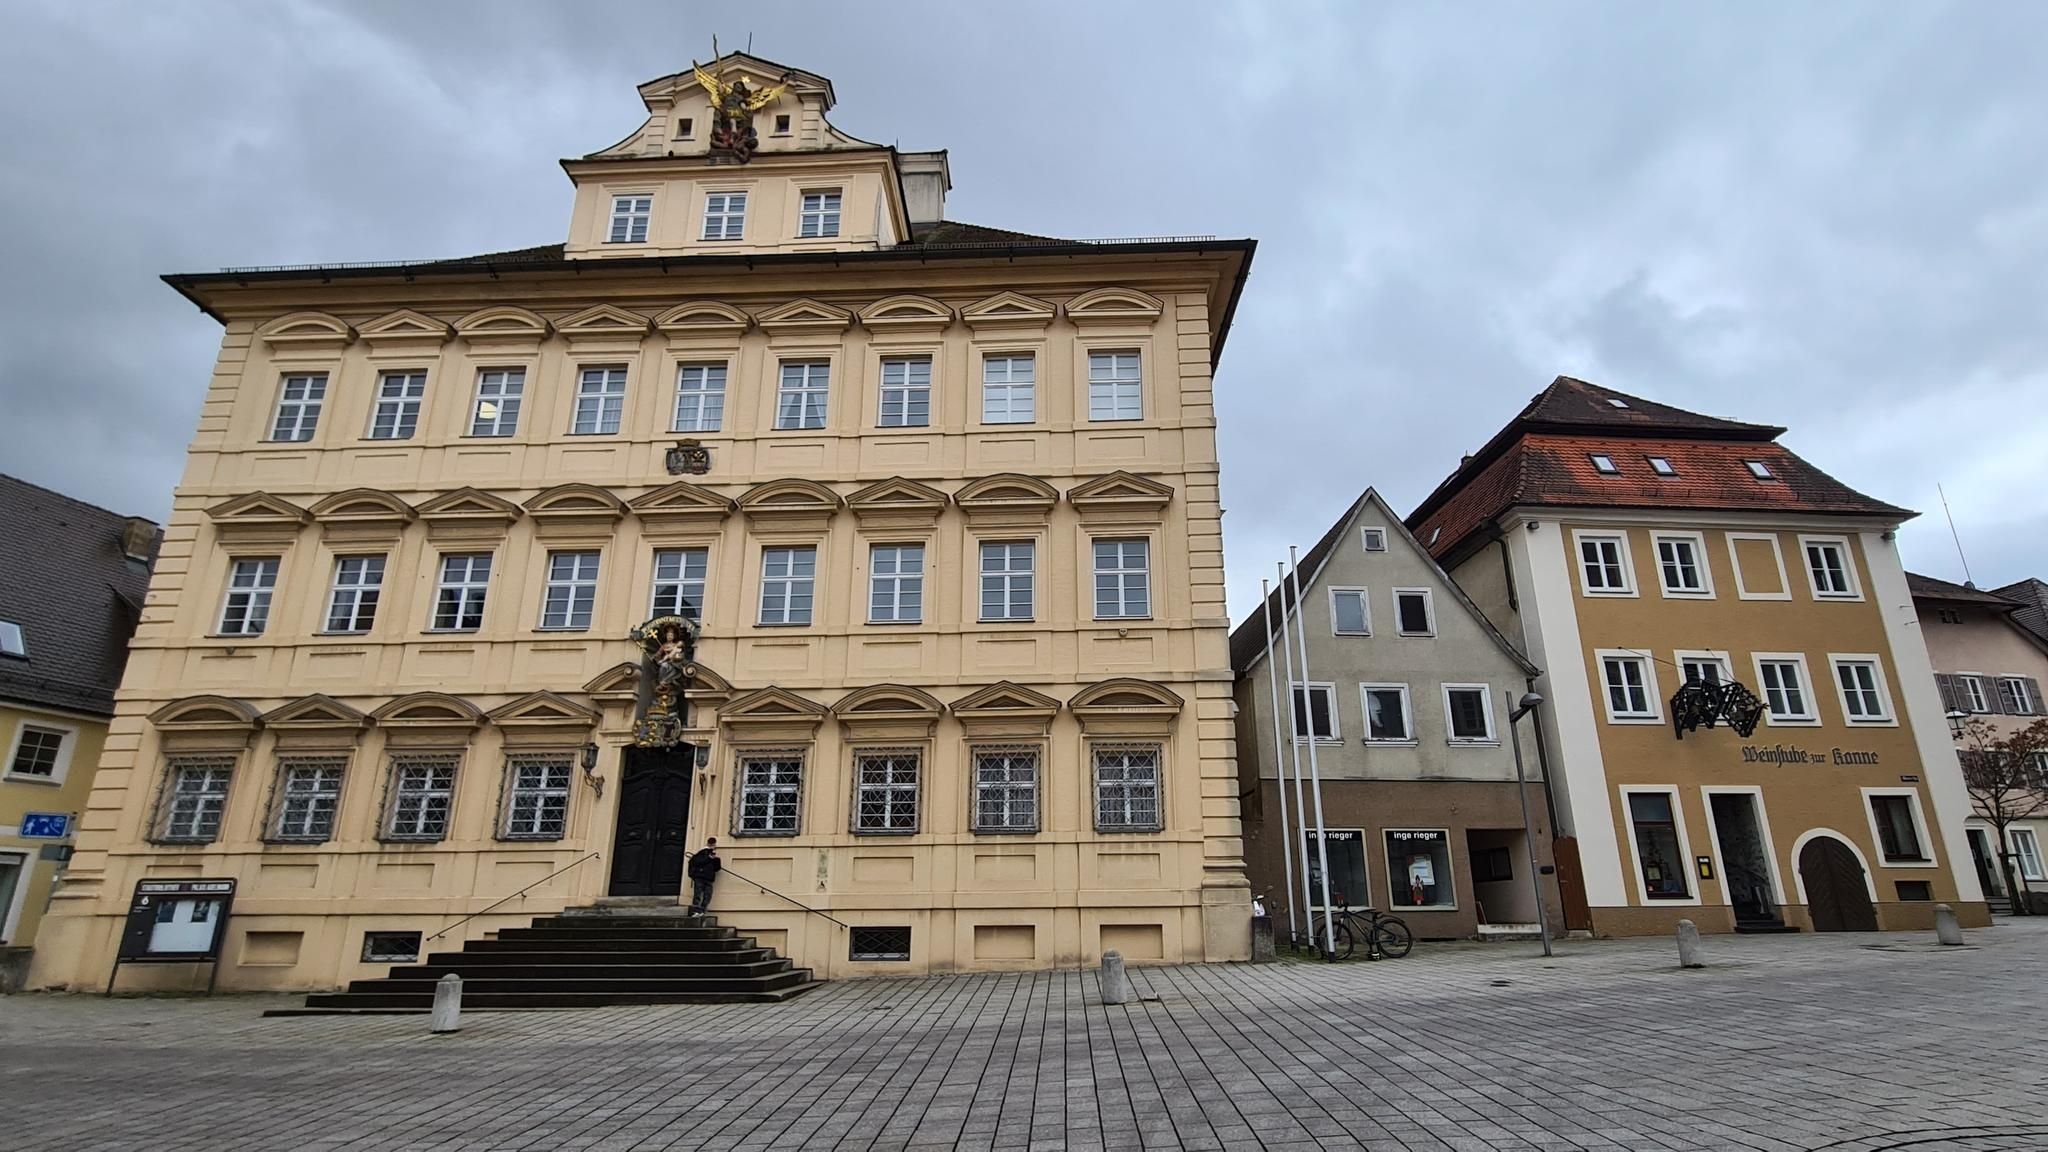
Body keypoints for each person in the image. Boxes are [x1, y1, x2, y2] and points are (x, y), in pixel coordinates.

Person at [686, 837, 721, 916]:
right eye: (712, 844)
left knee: (707, 895)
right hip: (700, 877)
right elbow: (697, 862)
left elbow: (717, 868)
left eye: (713, 844)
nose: (713, 846)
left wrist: (715, 860)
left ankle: (702, 910)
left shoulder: (713, 855)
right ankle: (695, 911)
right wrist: (709, 858)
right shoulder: (701, 853)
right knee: (698, 894)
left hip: (708, 878)